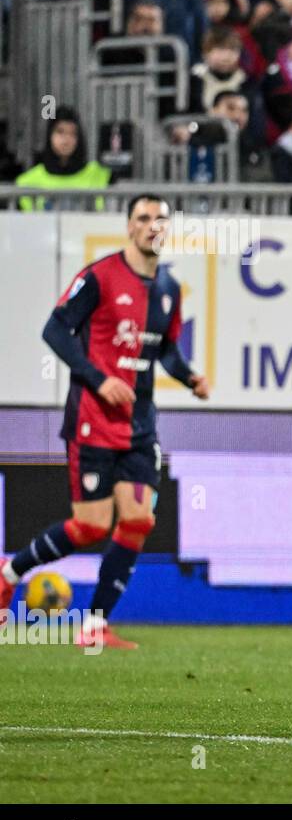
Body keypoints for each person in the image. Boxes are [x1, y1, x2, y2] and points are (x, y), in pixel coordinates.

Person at [0, 196, 210, 649]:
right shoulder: (99, 277)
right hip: (93, 421)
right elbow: (55, 329)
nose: (153, 226)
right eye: (143, 218)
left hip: (140, 427)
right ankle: (8, 574)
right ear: (129, 227)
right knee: (91, 527)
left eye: (161, 219)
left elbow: (165, 350)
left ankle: (93, 624)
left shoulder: (169, 287)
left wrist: (189, 375)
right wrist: (99, 380)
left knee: (136, 520)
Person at [15, 107, 113, 211]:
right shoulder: (27, 182)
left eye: (72, 133)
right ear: (49, 136)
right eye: (60, 132)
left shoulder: (100, 176)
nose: (66, 140)